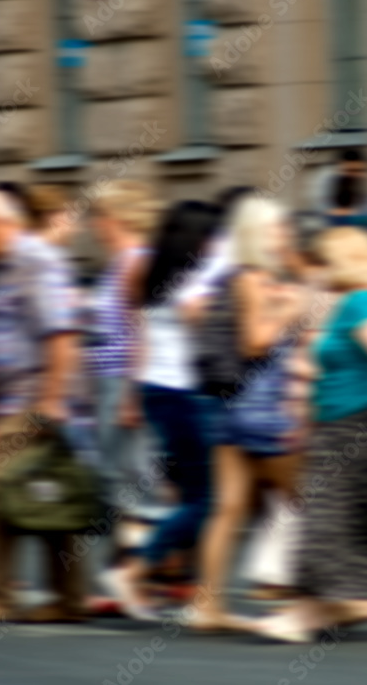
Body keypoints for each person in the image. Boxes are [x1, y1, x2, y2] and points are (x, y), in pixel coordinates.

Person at [0, 186, 84, 623]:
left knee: (1, 491)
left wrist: (49, 402)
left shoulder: (35, 260)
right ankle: (68, 600)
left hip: (30, 400)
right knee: (43, 494)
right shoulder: (8, 266)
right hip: (15, 399)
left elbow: (61, 333)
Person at [190, 197, 308, 631]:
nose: (284, 236)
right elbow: (255, 343)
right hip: (261, 412)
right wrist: (289, 312)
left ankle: (207, 605)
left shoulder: (230, 277)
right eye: (277, 229)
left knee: (229, 508)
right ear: (258, 233)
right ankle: (314, 602)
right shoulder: (252, 278)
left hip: (230, 409)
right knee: (312, 501)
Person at [103, 200, 221, 620]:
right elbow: (195, 324)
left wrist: (133, 394)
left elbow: (143, 339)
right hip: (182, 393)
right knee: (208, 500)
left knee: (191, 495)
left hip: (159, 391)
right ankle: (136, 569)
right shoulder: (193, 279)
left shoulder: (153, 274)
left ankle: (201, 596)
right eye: (214, 235)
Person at [249, 227, 367, 642]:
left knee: (325, 521)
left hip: (352, 425)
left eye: (322, 262)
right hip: (336, 423)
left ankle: (328, 609)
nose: (315, 271)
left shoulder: (358, 301)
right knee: (332, 521)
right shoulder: (344, 303)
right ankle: (313, 611)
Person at [85, 181, 161, 555]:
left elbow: (142, 333)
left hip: (122, 382)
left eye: (96, 216)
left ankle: (142, 567)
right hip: (108, 382)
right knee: (118, 478)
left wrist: (133, 395)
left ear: (113, 219)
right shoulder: (119, 263)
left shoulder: (134, 262)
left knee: (132, 477)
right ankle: (126, 569)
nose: (92, 226)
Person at [308, 148, 366, 218]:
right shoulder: (326, 177)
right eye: (349, 170)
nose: (353, 174)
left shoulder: (361, 177)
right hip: (329, 217)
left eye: (358, 170)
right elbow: (318, 204)